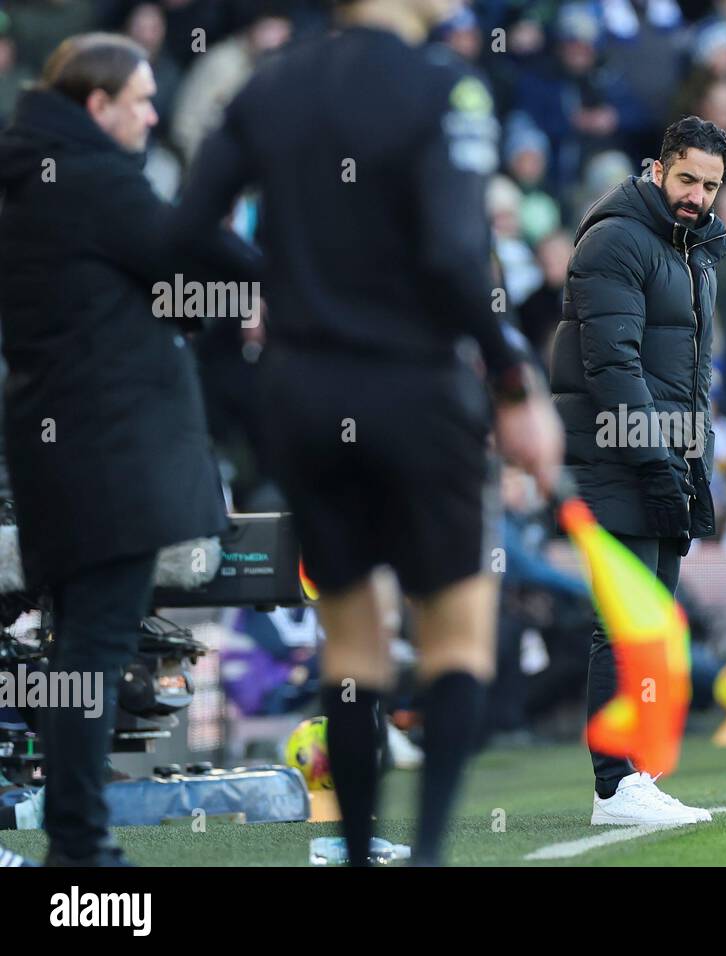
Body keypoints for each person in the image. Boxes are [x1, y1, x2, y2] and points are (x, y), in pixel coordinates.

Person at [173, 0, 562, 866]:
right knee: (456, 633)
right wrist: (512, 382)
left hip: (303, 395)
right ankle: (424, 852)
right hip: (417, 390)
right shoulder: (443, 87)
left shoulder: (269, 84)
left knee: (351, 641)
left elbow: (187, 227)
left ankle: (354, 854)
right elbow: (456, 260)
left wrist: (281, 288)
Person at [0, 33, 258, 865]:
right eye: (142, 100)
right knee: (95, 656)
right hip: (110, 458)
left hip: (60, 453)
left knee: (80, 654)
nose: (153, 114)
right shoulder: (90, 180)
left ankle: (76, 840)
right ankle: (79, 849)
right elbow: (197, 250)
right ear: (96, 105)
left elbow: (134, 289)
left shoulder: (34, 180)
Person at [550, 115, 726, 825]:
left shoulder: (694, 248)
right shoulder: (618, 238)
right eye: (686, 178)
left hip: (661, 453)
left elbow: (693, 372)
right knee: (622, 623)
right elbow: (613, 367)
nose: (696, 195)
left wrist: (695, 465)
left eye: (710, 186)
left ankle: (638, 774)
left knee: (651, 623)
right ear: (658, 169)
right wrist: (657, 464)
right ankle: (613, 785)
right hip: (612, 454)